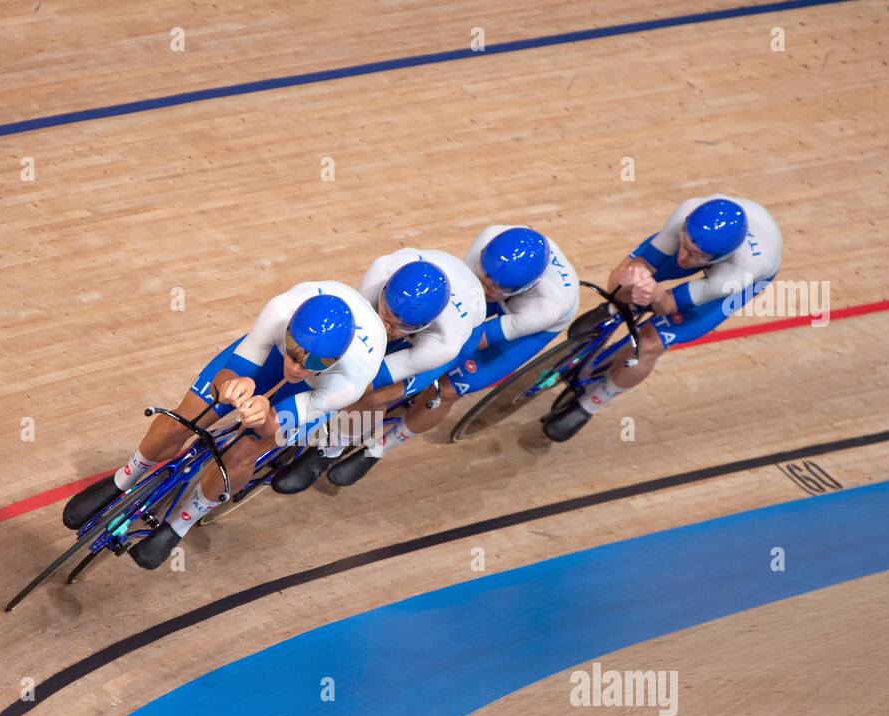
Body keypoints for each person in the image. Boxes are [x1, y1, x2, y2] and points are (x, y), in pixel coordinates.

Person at [61, 282, 385, 568]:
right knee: (185, 419)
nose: (297, 367)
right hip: (269, 352)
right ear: (289, 331)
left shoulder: (349, 380)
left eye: (313, 363)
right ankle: (124, 477)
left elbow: (276, 433)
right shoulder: (280, 311)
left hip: (314, 393)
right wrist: (233, 384)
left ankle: (180, 523)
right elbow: (227, 374)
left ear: (335, 360)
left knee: (245, 452)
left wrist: (265, 416)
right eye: (295, 353)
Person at [325, 225, 578, 486]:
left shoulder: (546, 307)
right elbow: (466, 301)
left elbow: (473, 340)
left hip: (528, 327)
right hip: (476, 306)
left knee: (446, 389)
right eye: (484, 272)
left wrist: (426, 369)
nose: (486, 284)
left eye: (496, 286)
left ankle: (379, 448)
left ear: (528, 285)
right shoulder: (489, 241)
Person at [542, 195, 781, 442]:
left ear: (720, 257)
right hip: (706, 244)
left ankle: (592, 402)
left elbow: (668, 304)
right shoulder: (686, 213)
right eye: (685, 244)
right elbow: (636, 265)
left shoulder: (739, 273)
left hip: (735, 281)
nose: (684, 258)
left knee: (648, 344)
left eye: (695, 255)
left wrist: (654, 293)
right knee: (625, 280)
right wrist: (635, 281)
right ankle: (614, 310)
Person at [269, 249, 483, 493]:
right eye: (386, 313)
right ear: (384, 291)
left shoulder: (444, 342)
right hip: (422, 292)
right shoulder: (381, 271)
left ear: (424, 325)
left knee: (372, 394)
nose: (385, 326)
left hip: (458, 340)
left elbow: (370, 378)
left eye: (398, 326)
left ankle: (338, 450)